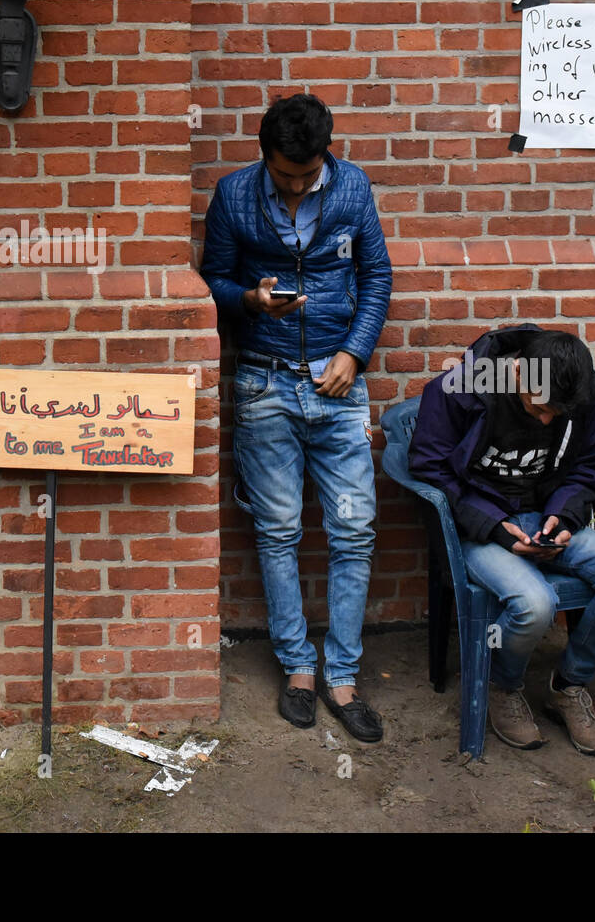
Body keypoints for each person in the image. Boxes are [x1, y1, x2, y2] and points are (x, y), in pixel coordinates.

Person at [199, 93, 392, 742]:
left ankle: (342, 675)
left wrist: (355, 352)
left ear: (324, 157)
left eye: (307, 175)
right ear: (266, 157)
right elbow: (213, 282)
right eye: (285, 175)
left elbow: (378, 276)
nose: (297, 185)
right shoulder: (233, 196)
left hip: (338, 388)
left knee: (354, 531)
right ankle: (298, 669)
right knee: (278, 529)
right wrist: (250, 300)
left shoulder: (353, 187)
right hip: (265, 384)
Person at [407, 324, 595, 756]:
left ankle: (568, 685)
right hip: (479, 524)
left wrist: (565, 515)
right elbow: (431, 470)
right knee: (534, 604)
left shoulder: (580, 394)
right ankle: (503, 687)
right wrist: (496, 527)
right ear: (518, 370)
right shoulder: (457, 390)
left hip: (546, 516)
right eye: (539, 408)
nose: (545, 420)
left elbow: (588, 464)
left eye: (556, 414)